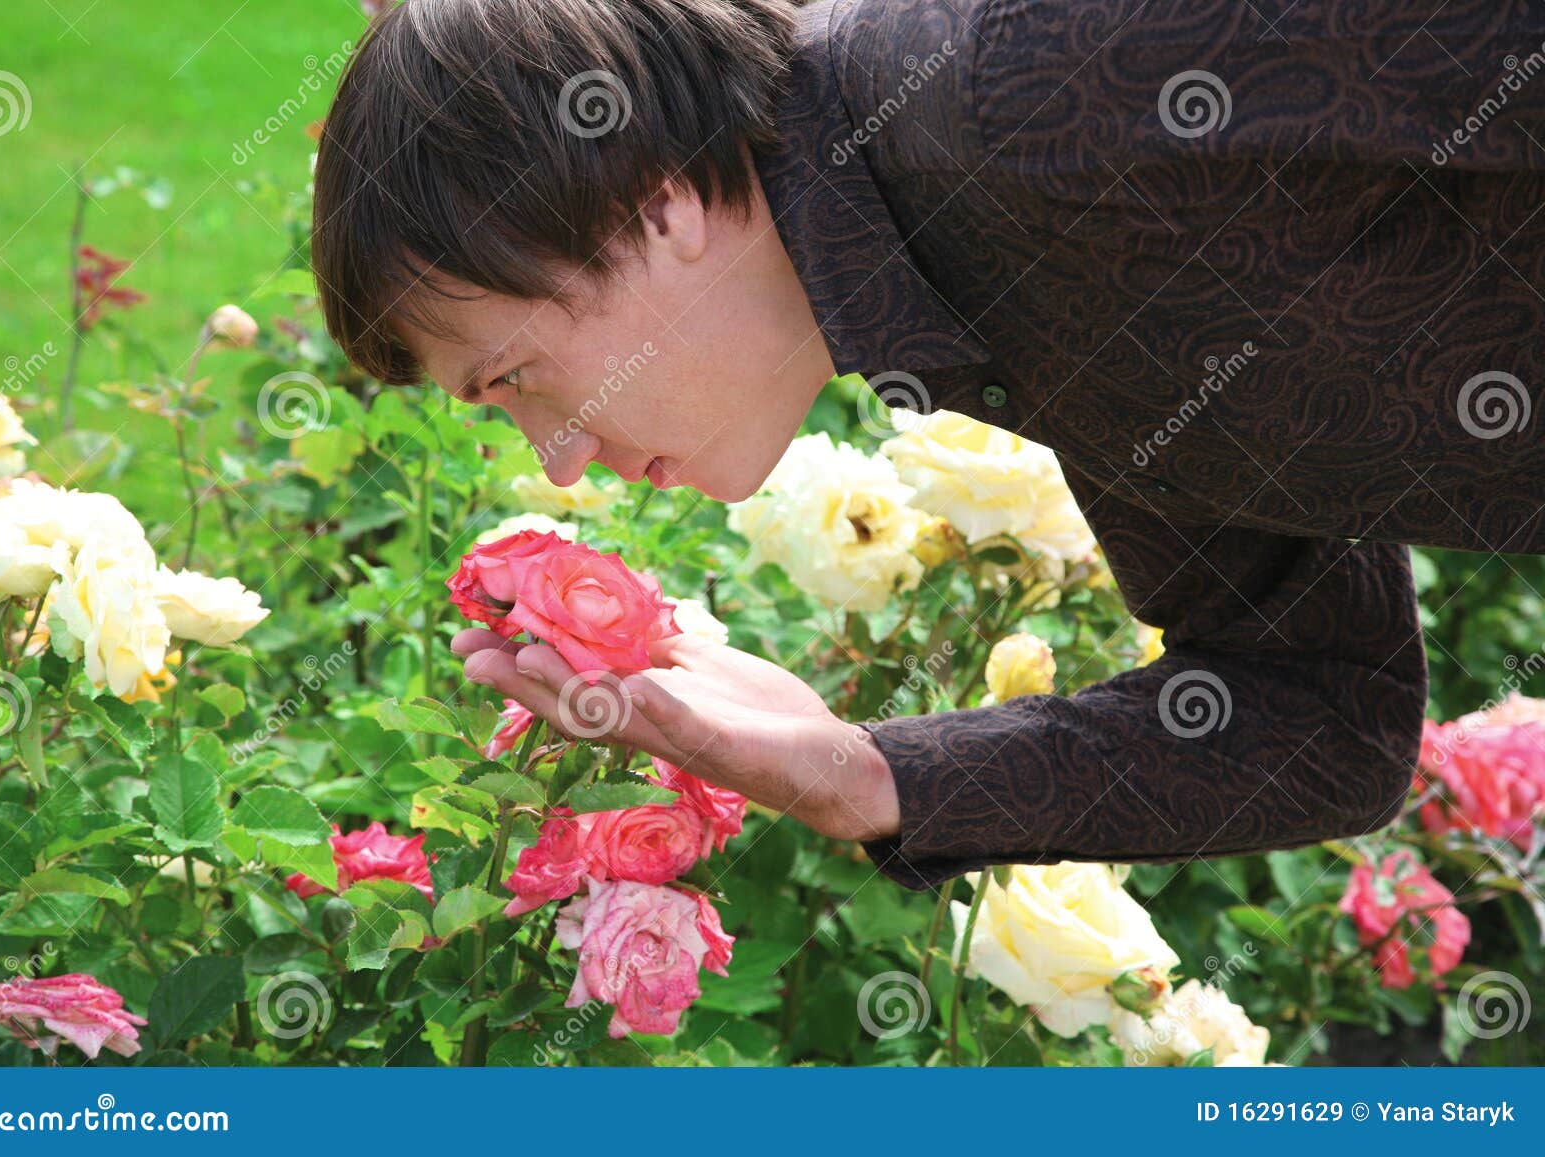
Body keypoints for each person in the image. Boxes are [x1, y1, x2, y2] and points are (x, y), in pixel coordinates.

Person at [309, 0, 1545, 891]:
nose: (558, 459)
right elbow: (1321, 706)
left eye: (516, 377)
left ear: (656, 204)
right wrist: (858, 773)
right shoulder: (970, 272)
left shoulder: (1035, 76)